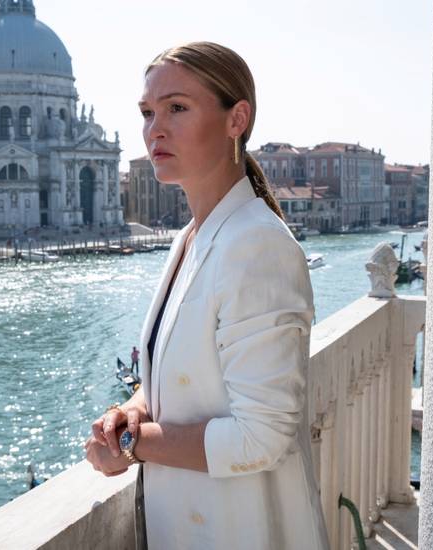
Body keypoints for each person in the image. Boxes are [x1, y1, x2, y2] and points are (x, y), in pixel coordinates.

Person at [85, 42, 329, 549]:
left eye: (177, 108)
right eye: (147, 112)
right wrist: (132, 410)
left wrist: (131, 444)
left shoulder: (256, 245)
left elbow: (261, 435)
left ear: (236, 119)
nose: (155, 129)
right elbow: (180, 375)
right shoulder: (190, 239)